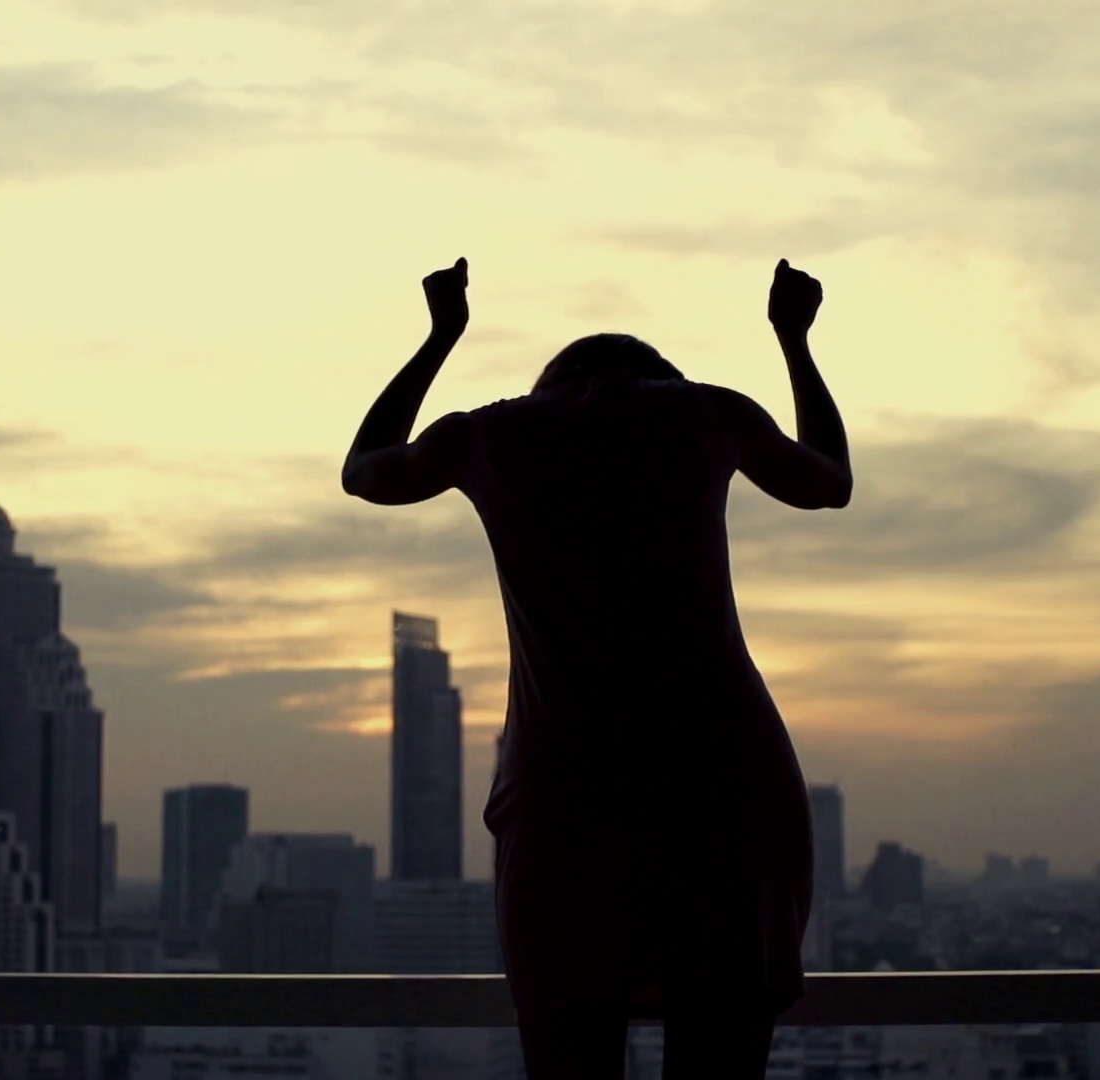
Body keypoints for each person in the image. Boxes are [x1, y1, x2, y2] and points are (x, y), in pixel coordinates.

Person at [342, 257, 852, 1078]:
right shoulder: (706, 414)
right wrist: (794, 340)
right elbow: (829, 482)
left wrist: (440, 337)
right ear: (660, 381)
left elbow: (365, 470)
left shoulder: (491, 434)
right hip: (724, 789)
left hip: (565, 800)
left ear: (552, 384)